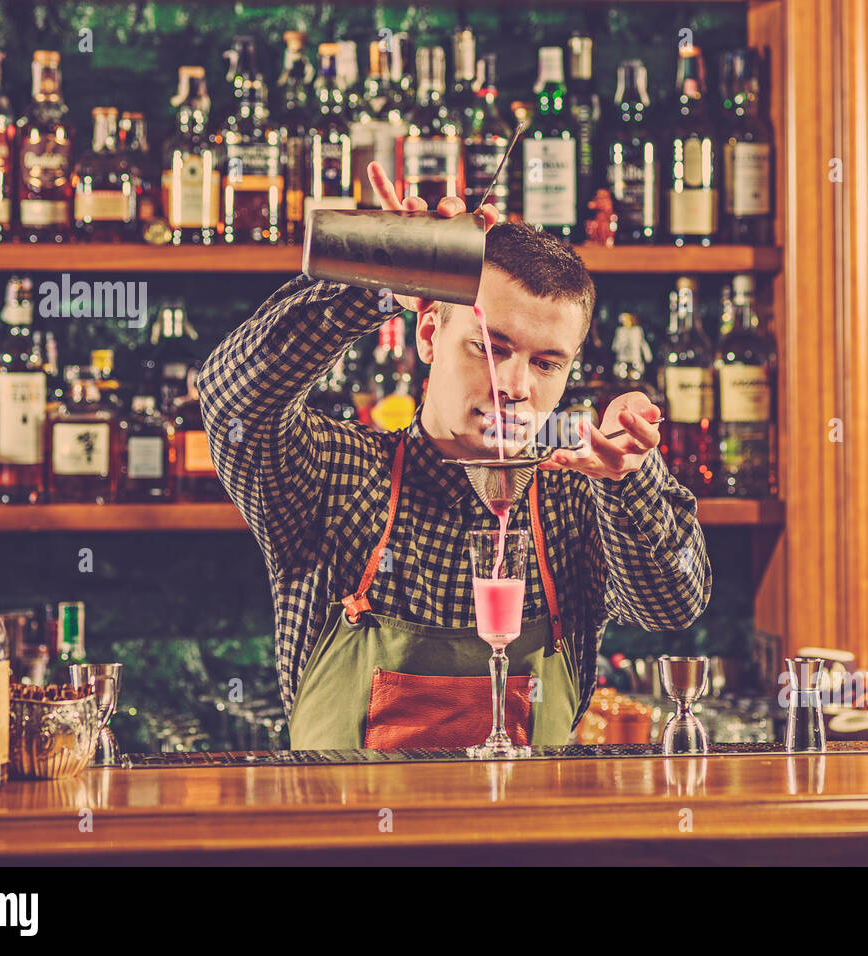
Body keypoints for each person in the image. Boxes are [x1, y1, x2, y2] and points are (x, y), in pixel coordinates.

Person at [199, 162, 712, 750]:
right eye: (490, 348)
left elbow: (672, 605)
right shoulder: (334, 472)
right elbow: (230, 396)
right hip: (346, 835)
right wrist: (382, 274)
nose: (516, 386)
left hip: (526, 835)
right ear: (426, 334)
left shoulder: (577, 492)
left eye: (547, 363)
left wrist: (630, 481)